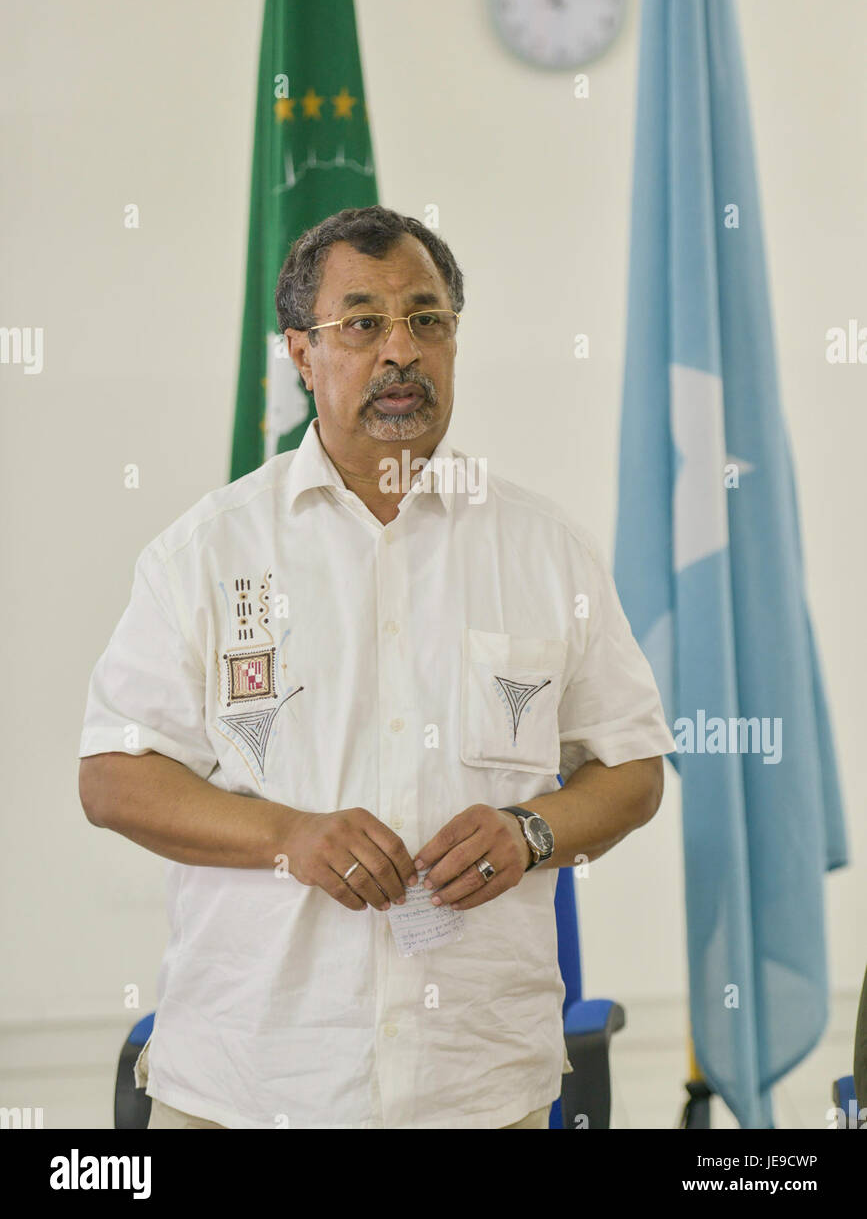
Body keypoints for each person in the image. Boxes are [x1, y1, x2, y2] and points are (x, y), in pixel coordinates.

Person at [78, 205, 674, 1130]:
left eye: (427, 321)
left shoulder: (544, 550)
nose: (400, 349)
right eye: (361, 324)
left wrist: (533, 832)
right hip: (249, 1085)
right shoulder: (206, 551)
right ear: (301, 353)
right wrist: (291, 836)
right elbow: (115, 777)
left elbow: (631, 768)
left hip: (476, 1086)